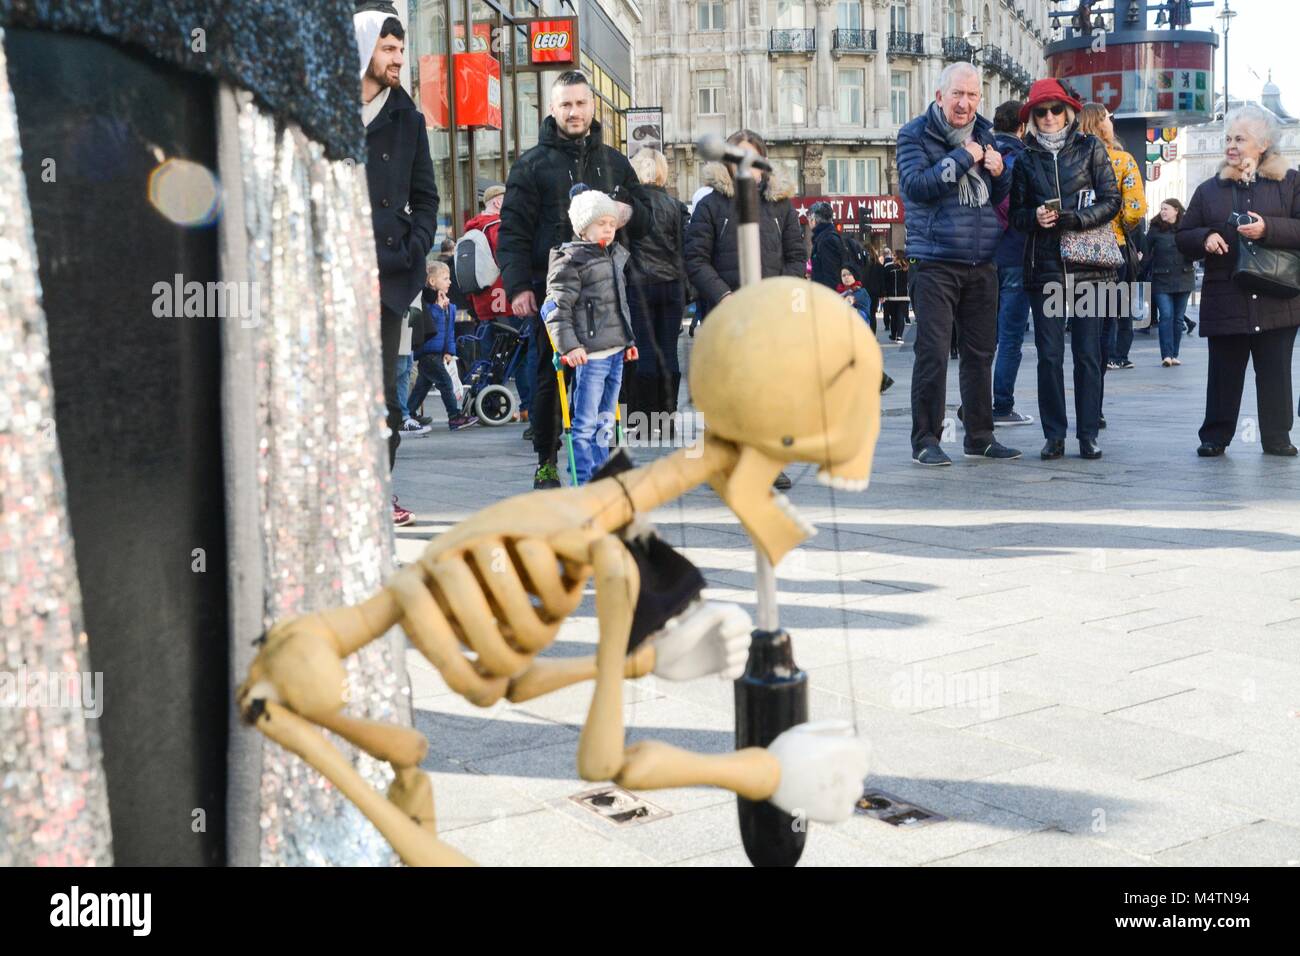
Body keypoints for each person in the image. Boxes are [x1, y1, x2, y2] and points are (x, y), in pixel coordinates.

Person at [497, 70, 648, 489]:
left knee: (606, 382)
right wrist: (518, 287)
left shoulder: (615, 163)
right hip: (555, 294)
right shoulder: (530, 166)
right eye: (566, 104)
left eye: (581, 103)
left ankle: (601, 461)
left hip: (606, 296)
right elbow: (512, 231)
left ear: (593, 106)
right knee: (549, 380)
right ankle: (546, 459)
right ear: (552, 109)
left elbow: (645, 218)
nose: (574, 111)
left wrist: (628, 212)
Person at [898, 62, 1019, 466]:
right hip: (934, 261)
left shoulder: (988, 136)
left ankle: (980, 436)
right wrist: (963, 157)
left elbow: (999, 194)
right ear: (939, 97)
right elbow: (918, 187)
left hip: (982, 260)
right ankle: (926, 440)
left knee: (981, 353)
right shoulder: (914, 135)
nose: (965, 104)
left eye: (972, 96)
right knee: (932, 352)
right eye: (957, 95)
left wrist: (1000, 173)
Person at [355, 5, 439, 525]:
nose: (398, 59)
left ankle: (379, 494)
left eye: (401, 50)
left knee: (386, 397)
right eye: (388, 49)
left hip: (389, 272)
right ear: (364, 48)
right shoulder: (326, 110)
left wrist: (416, 245)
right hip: (336, 274)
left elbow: (427, 194)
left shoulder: (408, 117)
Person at [1177, 104, 1300, 458]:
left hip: (1278, 296)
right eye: (1228, 138)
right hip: (1226, 293)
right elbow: (1183, 235)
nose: (1231, 145)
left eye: (1240, 139)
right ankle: (1215, 435)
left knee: (1276, 373)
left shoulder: (1290, 183)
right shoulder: (1208, 189)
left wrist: (1268, 229)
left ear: (1262, 144)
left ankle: (1277, 436)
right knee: (1223, 374)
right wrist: (1203, 238)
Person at [684, 128, 805, 488]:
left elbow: (797, 255)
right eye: (740, 159)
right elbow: (695, 258)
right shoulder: (711, 205)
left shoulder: (780, 205)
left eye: (753, 160)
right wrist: (723, 295)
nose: (747, 168)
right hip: (727, 310)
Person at [1009, 79, 1120, 461]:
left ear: (1069, 112)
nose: (1050, 117)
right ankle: (1054, 435)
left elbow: (1112, 201)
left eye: (1056, 109)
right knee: (1050, 355)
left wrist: (1074, 219)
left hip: (1090, 266)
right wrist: (1035, 216)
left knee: (1089, 354)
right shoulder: (1025, 159)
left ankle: (1088, 434)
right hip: (1047, 268)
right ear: (1032, 117)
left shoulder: (1092, 149)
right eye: (1041, 111)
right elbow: (1016, 216)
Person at [540, 186, 639, 484]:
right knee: (584, 423)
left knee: (606, 420)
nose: (608, 230)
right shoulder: (571, 260)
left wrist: (628, 340)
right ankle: (584, 479)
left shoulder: (613, 257)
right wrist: (568, 346)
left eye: (612, 224)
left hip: (614, 352)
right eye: (601, 224)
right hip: (590, 354)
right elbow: (556, 307)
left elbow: (619, 305)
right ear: (584, 228)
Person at [1078, 103, 1146, 377]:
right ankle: (1096, 397)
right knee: (1108, 322)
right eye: (1108, 117)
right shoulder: (1121, 160)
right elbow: (1135, 210)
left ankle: (1083, 386)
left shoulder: (1070, 159)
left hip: (1078, 249)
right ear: (1100, 124)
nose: (1112, 121)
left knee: (1083, 322)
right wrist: (1120, 225)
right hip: (1111, 249)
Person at [625, 148, 689, 431]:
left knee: (644, 351)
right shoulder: (676, 207)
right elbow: (684, 249)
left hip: (639, 286)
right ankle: (668, 416)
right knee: (669, 351)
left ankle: (645, 420)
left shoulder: (630, 206)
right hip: (672, 286)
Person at [462, 183, 531, 422]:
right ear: (499, 202)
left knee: (489, 357)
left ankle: (488, 402)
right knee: (522, 354)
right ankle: (528, 406)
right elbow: (510, 258)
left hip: (483, 304)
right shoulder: (498, 227)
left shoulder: (471, 230)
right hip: (506, 300)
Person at [990, 99, 1035, 426]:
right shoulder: (1024, 159)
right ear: (1022, 127)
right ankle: (1002, 406)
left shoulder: (982, 155)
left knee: (980, 339)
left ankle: (976, 404)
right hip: (1017, 254)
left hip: (982, 255)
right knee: (1010, 337)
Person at [410, 261, 477, 431]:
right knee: (446, 383)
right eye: (445, 278)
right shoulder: (427, 303)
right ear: (432, 281)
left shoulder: (449, 306)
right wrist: (439, 308)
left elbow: (450, 331)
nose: (450, 282)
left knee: (422, 386)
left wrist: (449, 351)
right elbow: (428, 324)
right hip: (428, 352)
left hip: (438, 352)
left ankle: (408, 412)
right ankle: (454, 416)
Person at [1144, 198, 1197, 367]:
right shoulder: (1154, 230)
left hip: (1184, 277)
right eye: (1161, 209)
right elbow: (1145, 252)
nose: (1163, 212)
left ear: (1176, 210)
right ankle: (1166, 355)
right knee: (1166, 316)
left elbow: (1197, 250)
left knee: (1178, 319)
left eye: (1166, 209)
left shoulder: (1187, 229)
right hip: (1161, 279)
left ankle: (1174, 354)